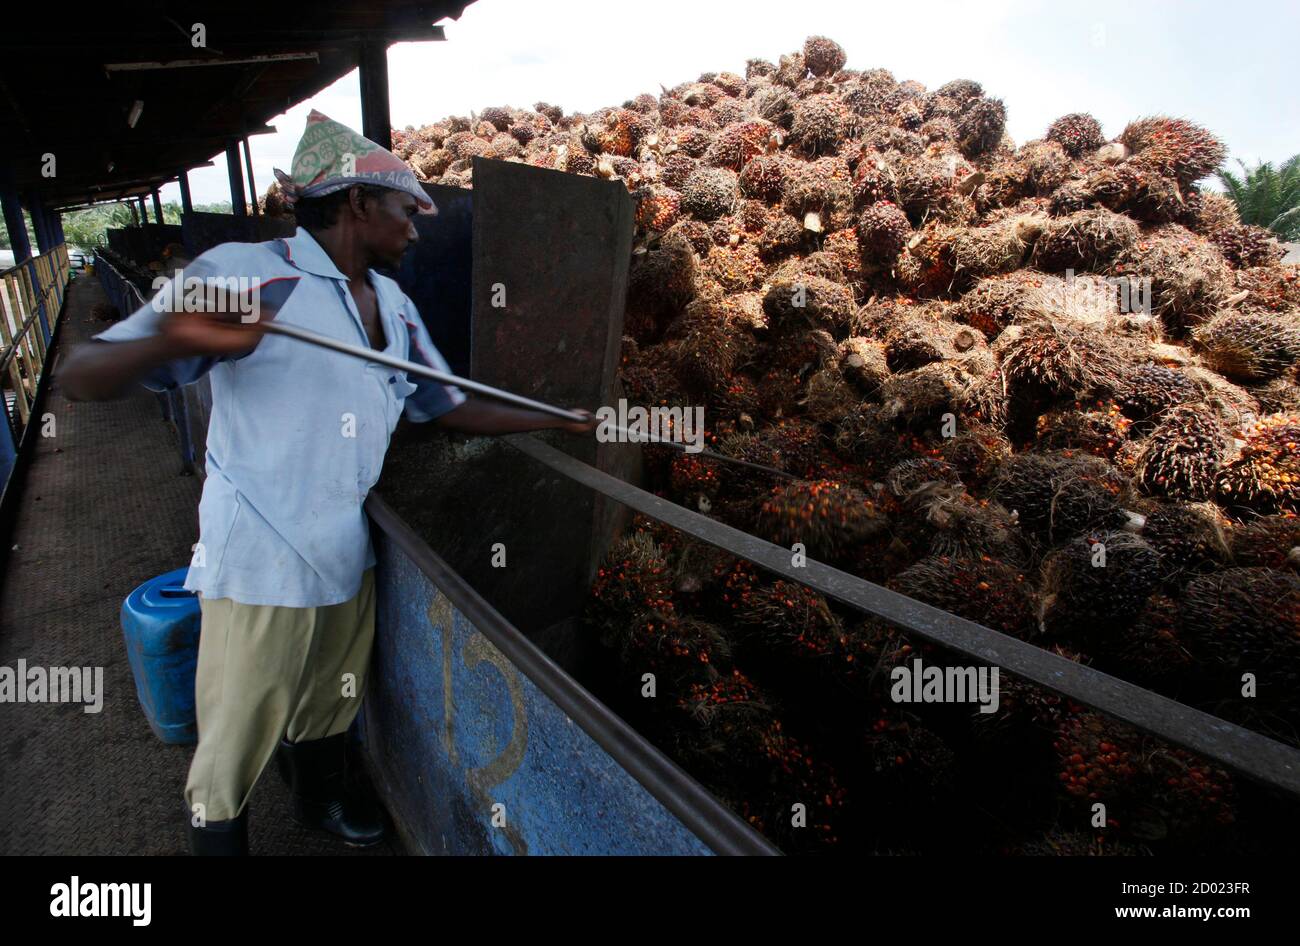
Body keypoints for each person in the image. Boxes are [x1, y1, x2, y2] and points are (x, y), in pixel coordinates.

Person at [58, 111, 596, 856]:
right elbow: (84, 375)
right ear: (357, 205)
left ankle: (319, 799)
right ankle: (220, 837)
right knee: (237, 732)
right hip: (262, 556)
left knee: (327, 700)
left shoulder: (396, 306)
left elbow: (445, 402)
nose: (415, 229)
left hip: (345, 550)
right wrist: (183, 335)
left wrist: (556, 419)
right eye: (407, 211)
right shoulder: (252, 276)